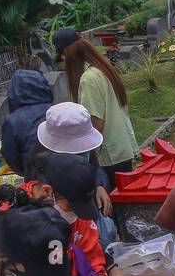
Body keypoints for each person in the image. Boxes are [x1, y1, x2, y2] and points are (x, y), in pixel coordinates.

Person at [0, 154, 127, 276]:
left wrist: (109, 273)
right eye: (70, 207)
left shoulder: (77, 211)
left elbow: (91, 251)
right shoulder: (14, 220)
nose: (75, 215)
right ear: (46, 191)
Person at [55, 28, 139, 188]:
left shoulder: (88, 79)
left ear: (68, 53)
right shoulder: (102, 68)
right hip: (122, 148)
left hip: (109, 155)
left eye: (63, 58)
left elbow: (95, 124)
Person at [34, 101, 119, 249]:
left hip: (84, 207)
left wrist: (98, 185)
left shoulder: (87, 151)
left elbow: (92, 164)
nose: (82, 153)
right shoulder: (41, 167)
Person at [0, 69, 54, 177]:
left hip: (37, 178)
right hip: (67, 172)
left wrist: (26, 171)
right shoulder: (55, 110)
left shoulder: (13, 121)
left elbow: (11, 157)